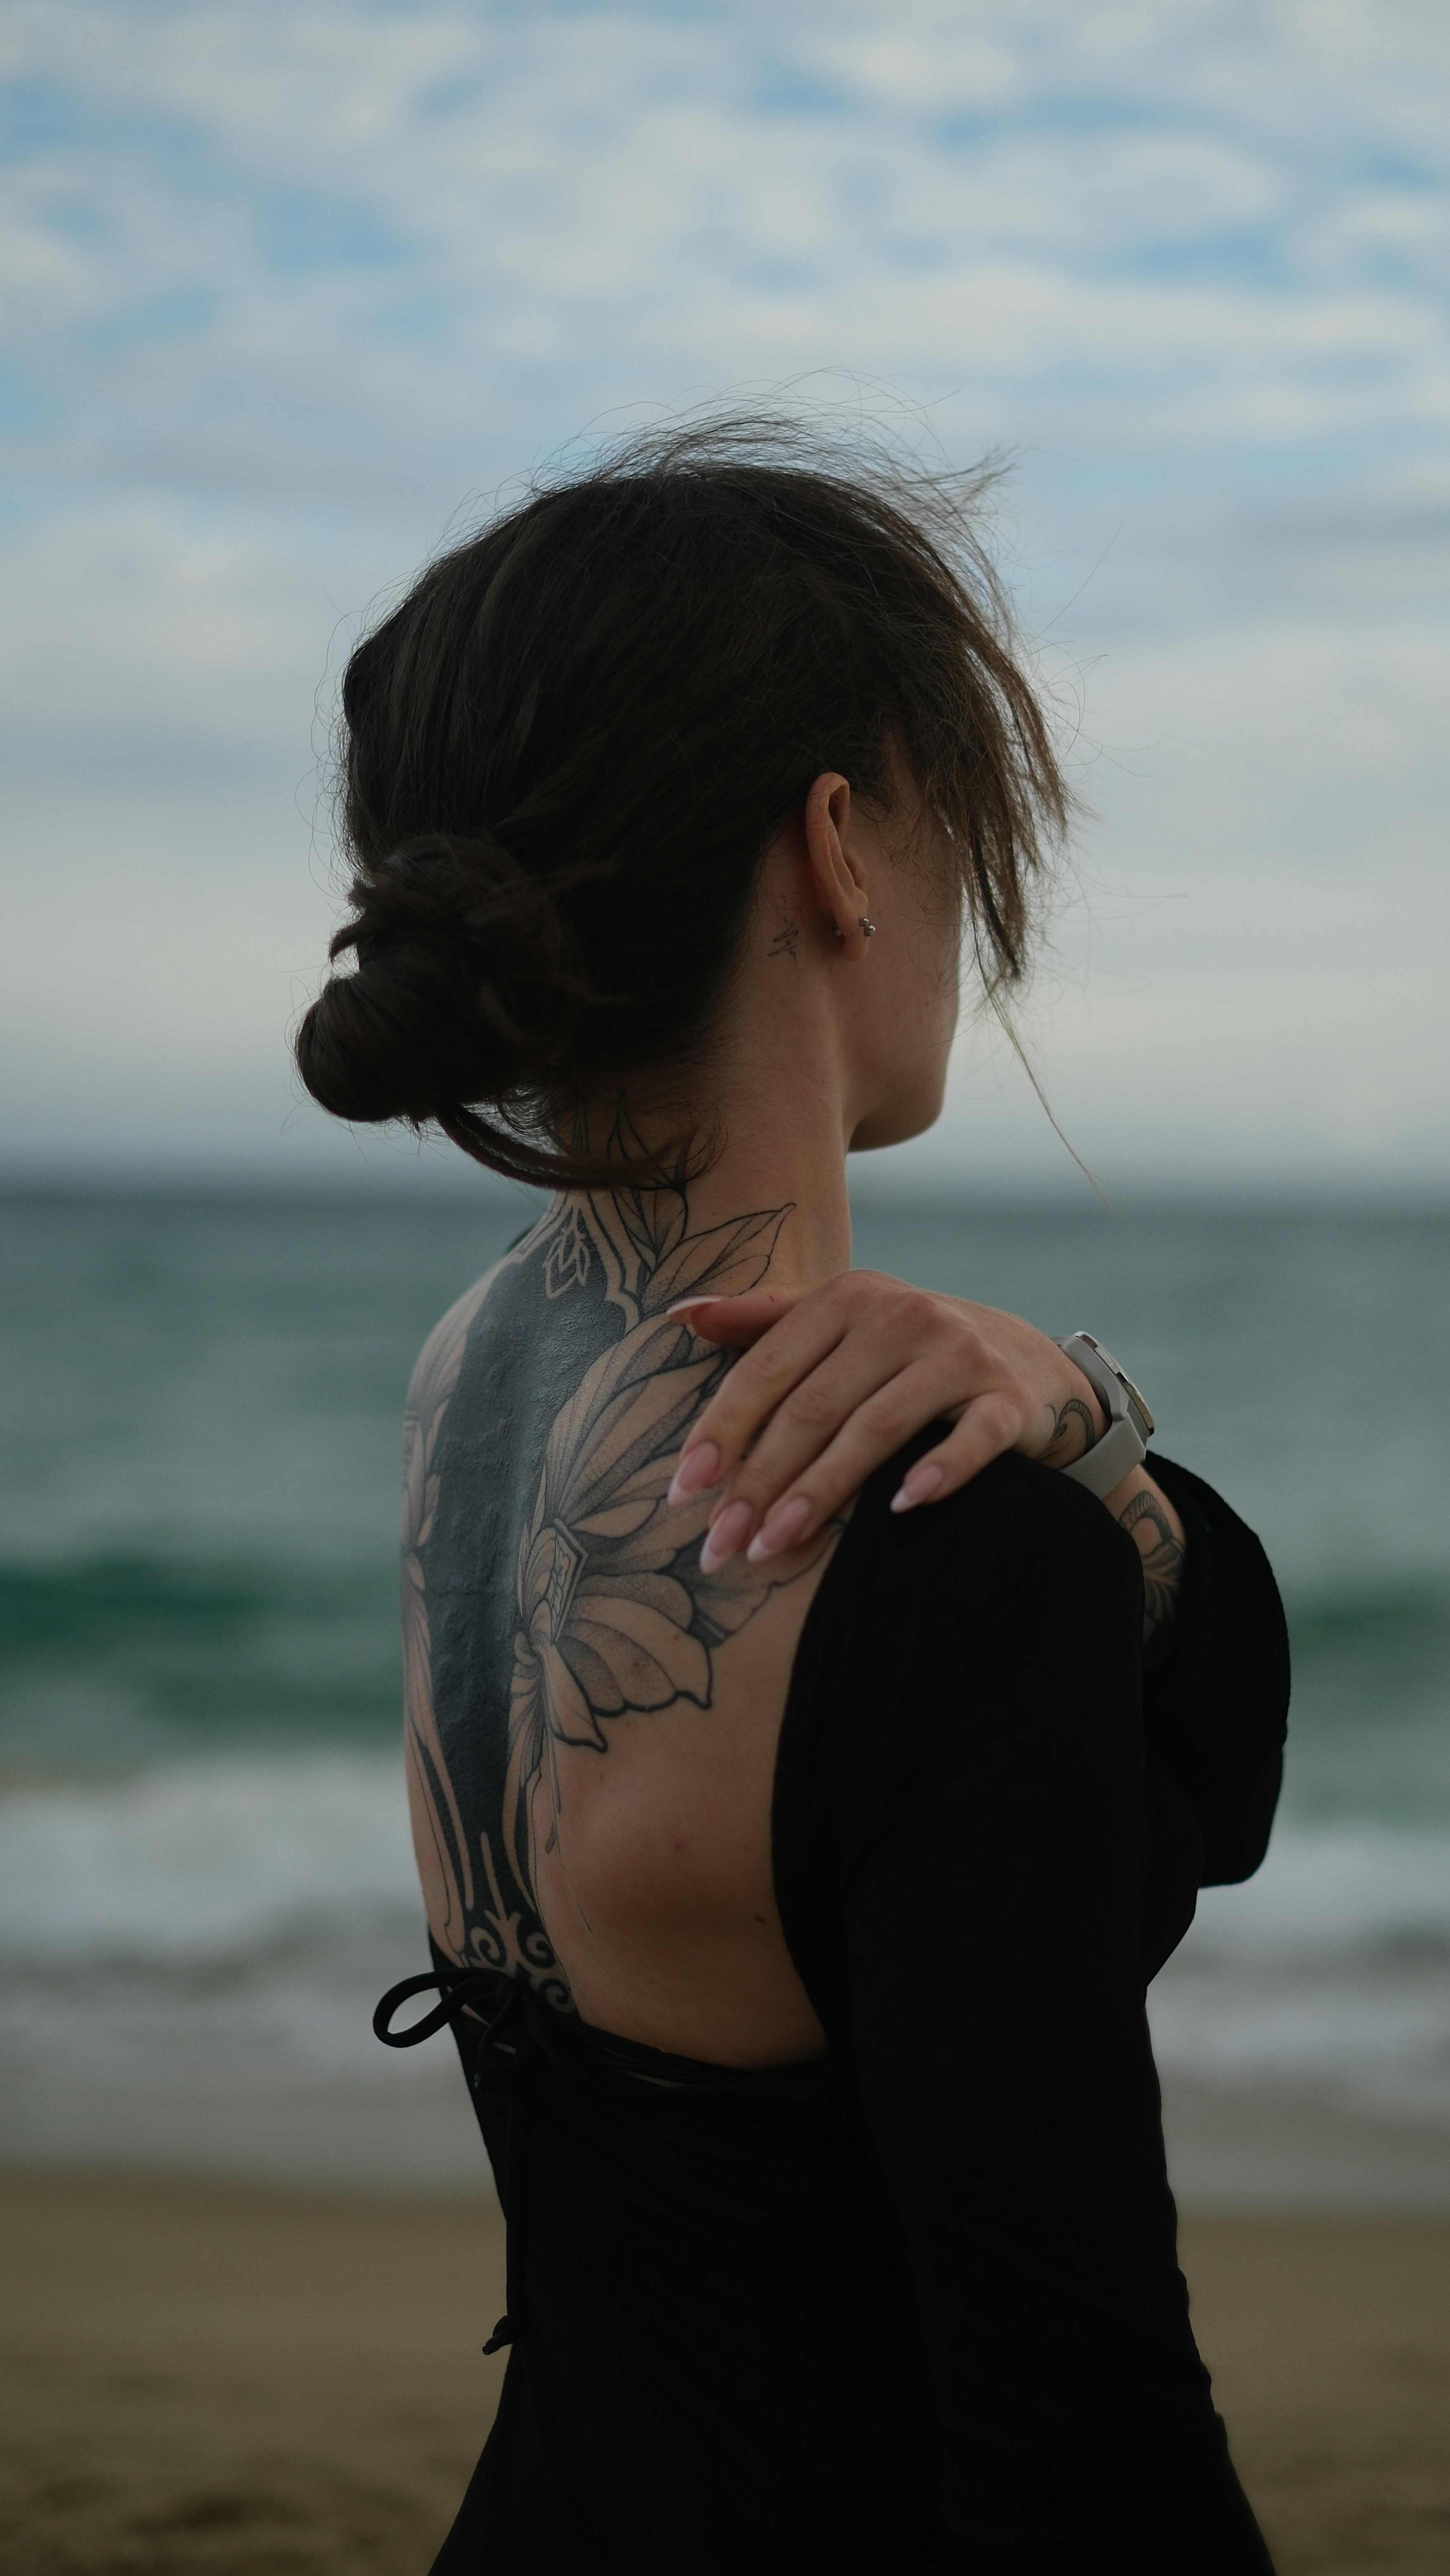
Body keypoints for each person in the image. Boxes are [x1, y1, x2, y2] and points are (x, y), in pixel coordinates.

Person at [297, 420, 1288, 2572]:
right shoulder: (937, 1558)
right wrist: (1061, 1505)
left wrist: (1086, 1437)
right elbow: (1083, 2453)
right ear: (837, 847)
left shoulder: (469, 1375)